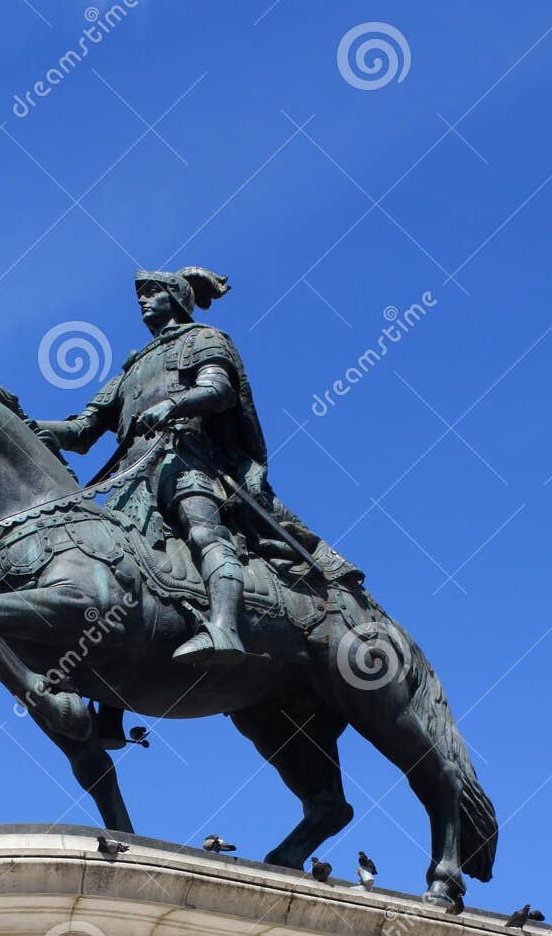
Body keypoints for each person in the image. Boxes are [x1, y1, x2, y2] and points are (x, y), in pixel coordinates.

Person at [33, 267, 362, 665]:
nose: (142, 299)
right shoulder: (131, 369)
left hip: (186, 459)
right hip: (131, 479)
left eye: (153, 292)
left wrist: (173, 404)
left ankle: (225, 627)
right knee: (107, 564)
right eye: (142, 293)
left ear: (176, 298)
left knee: (205, 534)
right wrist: (23, 425)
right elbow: (82, 430)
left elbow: (219, 390)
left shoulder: (203, 339)